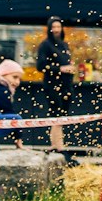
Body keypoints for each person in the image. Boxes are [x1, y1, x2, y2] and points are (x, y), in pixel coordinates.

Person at [36, 17, 76, 149]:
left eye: (59, 27)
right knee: (56, 114)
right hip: (53, 85)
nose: (57, 30)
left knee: (62, 115)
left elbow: (65, 62)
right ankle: (58, 146)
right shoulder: (45, 45)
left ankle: (56, 145)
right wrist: (60, 69)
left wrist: (70, 67)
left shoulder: (64, 45)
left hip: (66, 85)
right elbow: (40, 66)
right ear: (50, 29)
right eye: (54, 27)